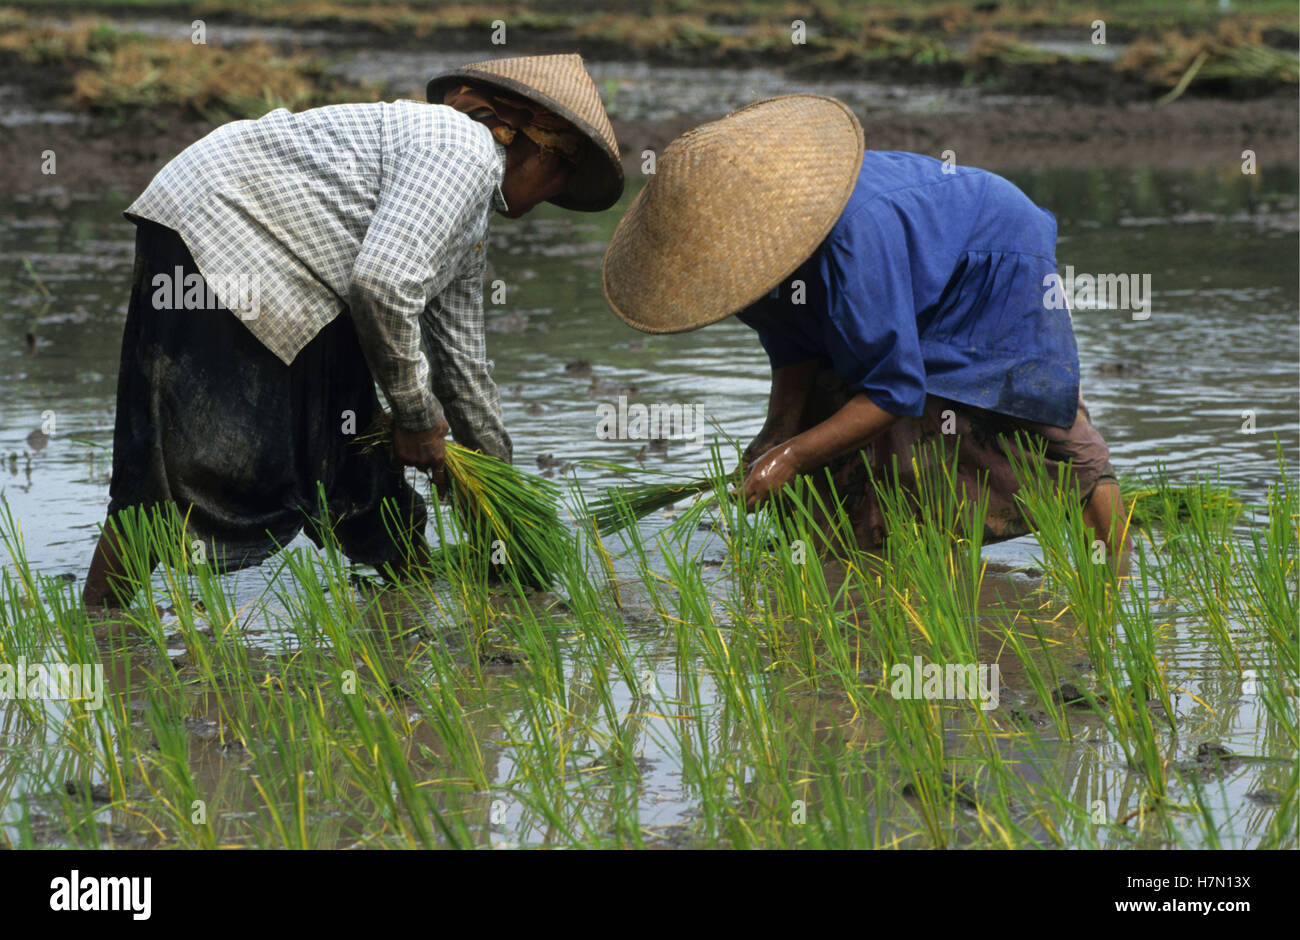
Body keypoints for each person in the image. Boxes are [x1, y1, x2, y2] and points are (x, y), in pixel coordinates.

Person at [84, 53, 623, 612]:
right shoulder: (461, 149)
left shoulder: (469, 220)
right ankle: (101, 621)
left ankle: (410, 600)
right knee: (189, 460)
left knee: (357, 451)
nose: (558, 190)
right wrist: (416, 418)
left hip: (296, 270)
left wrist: (494, 486)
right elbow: (382, 288)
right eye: (564, 168)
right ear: (528, 140)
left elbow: (462, 365)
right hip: (225, 226)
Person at [600, 94, 1126, 559]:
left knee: (1034, 416)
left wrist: (793, 456)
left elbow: (895, 390)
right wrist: (778, 431)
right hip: (906, 254)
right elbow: (792, 344)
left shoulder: (852, 243)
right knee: (827, 412)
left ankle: (1114, 575)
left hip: (993, 255)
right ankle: (873, 559)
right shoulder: (738, 270)